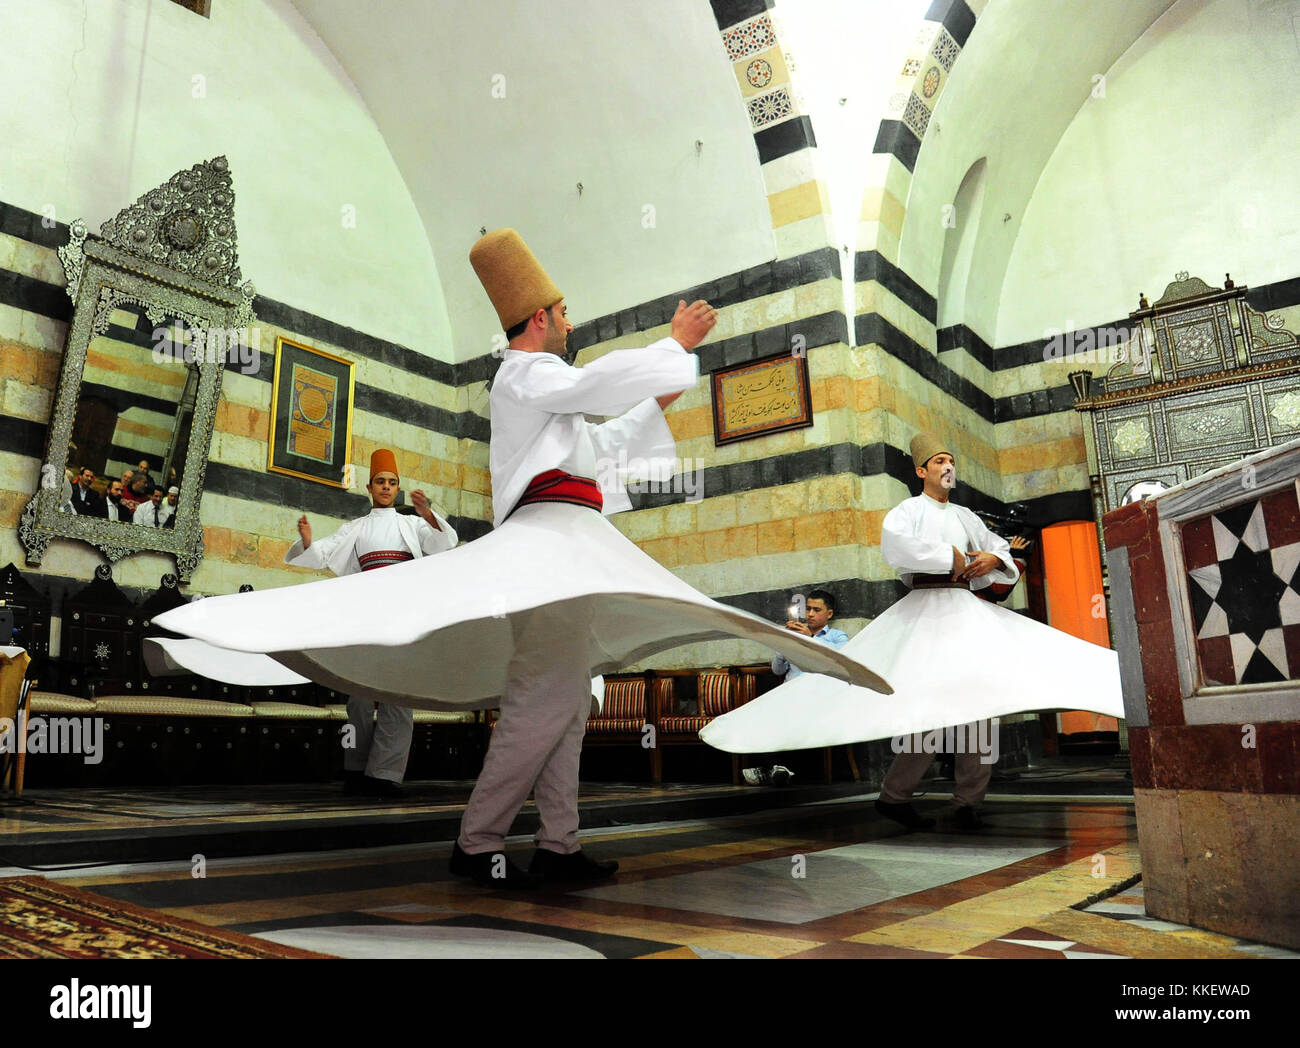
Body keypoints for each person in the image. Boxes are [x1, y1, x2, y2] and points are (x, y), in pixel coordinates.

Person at [149, 230, 889, 890]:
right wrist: (676, 347)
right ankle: (479, 844)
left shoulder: (548, 399)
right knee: (543, 704)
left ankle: (559, 845)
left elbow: (598, 446)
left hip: (571, 543)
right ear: (538, 319)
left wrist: (655, 399)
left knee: (566, 705)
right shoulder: (523, 375)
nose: (571, 323)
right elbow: (588, 388)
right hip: (546, 549)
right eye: (564, 313)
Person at [699, 431, 1123, 831]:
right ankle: (895, 797)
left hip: (964, 612)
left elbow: (995, 546)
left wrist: (994, 561)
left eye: (951, 461)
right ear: (921, 471)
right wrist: (954, 557)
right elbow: (898, 547)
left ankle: (967, 803)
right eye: (940, 461)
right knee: (922, 712)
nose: (947, 467)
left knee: (980, 709)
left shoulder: (965, 515)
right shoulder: (908, 512)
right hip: (925, 613)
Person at [285, 448, 457, 796]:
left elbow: (445, 544)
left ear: (398, 489)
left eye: (392, 483)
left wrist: (429, 515)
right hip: (365, 616)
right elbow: (324, 551)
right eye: (380, 481)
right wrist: (306, 541)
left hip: (403, 617)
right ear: (369, 486)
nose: (386, 487)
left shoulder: (412, 525)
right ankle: (355, 768)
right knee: (359, 695)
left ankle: (386, 773)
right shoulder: (357, 528)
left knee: (397, 695)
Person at [744, 589, 848, 787]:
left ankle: (771, 769)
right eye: (807, 609)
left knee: (791, 716)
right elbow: (777, 670)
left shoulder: (837, 637)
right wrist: (784, 644)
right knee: (758, 713)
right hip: (788, 695)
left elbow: (842, 659)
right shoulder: (795, 635)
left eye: (816, 610)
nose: (809, 614)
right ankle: (776, 768)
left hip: (817, 696)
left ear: (829, 614)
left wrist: (811, 638)